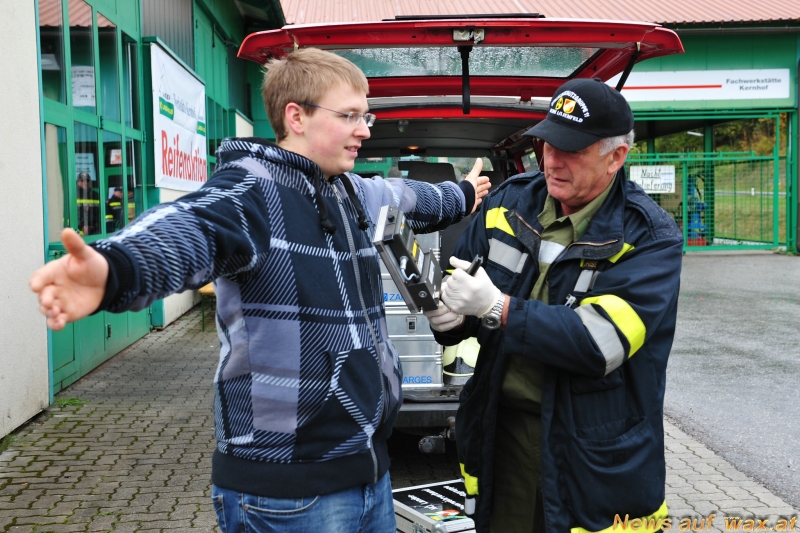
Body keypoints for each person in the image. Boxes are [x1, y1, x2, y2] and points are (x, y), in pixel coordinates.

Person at [30, 48, 490, 533]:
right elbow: (190, 228)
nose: (365, 129)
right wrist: (115, 269)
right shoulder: (251, 190)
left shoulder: (354, 191)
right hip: (287, 497)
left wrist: (464, 192)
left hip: (369, 476)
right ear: (296, 116)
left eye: (366, 114)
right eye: (350, 116)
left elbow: (416, 198)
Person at [425, 78, 683, 533]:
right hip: (500, 435)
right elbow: (464, 289)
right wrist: (448, 319)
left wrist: (499, 309)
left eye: (572, 150)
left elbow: (598, 344)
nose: (552, 161)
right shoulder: (509, 202)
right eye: (546, 144)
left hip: (589, 450)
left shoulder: (648, 237)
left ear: (616, 157)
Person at [76, 172, 99, 236]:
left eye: (87, 180)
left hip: (95, 230)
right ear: (78, 182)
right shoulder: (73, 195)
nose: (85, 183)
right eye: (82, 180)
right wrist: (82, 226)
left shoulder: (96, 195)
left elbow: (99, 213)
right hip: (77, 231)